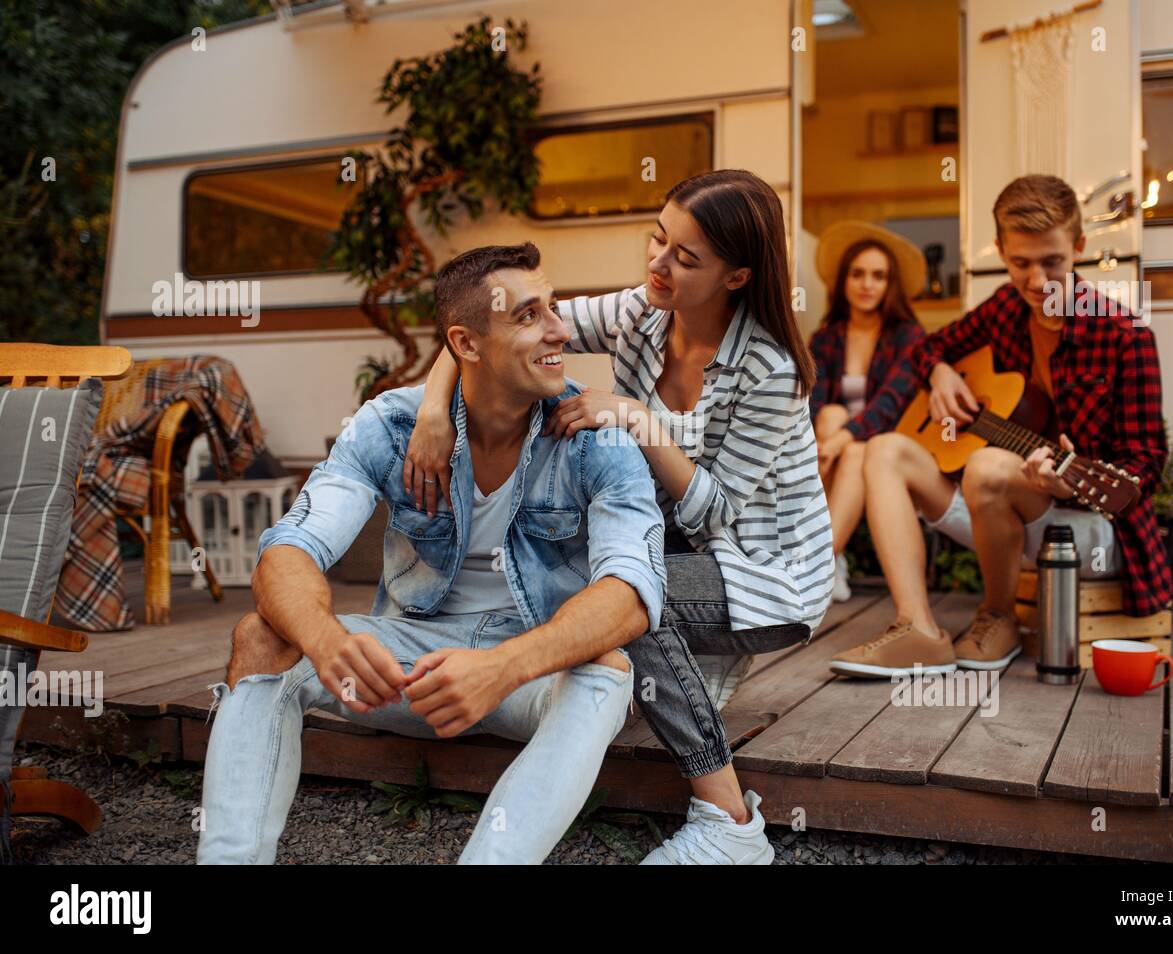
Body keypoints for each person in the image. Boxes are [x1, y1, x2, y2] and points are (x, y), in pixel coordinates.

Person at [407, 170, 835, 864]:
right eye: (658, 239)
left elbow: (717, 511)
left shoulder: (770, 369)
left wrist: (633, 416)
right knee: (604, 574)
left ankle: (729, 820)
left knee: (627, 595)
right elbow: (498, 326)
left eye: (685, 258)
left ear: (737, 276)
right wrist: (433, 409)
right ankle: (687, 667)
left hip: (765, 572)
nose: (657, 265)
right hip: (669, 550)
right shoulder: (642, 310)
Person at [197, 243, 667, 864]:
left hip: (527, 667)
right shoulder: (390, 427)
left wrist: (502, 666)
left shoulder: (594, 436)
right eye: (529, 316)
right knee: (261, 635)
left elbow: (630, 593)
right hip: (410, 664)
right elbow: (289, 552)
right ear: (466, 345)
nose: (559, 330)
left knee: (606, 665)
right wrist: (325, 640)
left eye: (552, 308)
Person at [830, 174, 1173, 678]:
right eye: (1020, 263)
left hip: (1092, 526)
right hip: (1002, 516)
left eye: (1052, 261)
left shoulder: (1126, 337)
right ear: (1002, 252)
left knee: (988, 464)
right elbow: (925, 347)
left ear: (1078, 246)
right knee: (883, 449)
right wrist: (940, 370)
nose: (1036, 281)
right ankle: (918, 630)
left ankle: (998, 616)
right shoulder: (1005, 308)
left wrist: (1066, 482)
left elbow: (1145, 469)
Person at [808, 223, 928, 602]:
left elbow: (890, 405)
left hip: (888, 445)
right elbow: (810, 406)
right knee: (827, 416)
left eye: (879, 276)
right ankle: (830, 556)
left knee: (855, 445)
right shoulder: (825, 338)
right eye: (857, 273)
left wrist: (841, 440)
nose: (867, 284)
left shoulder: (909, 335)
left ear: (890, 284)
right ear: (844, 280)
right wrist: (825, 442)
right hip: (829, 449)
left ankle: (817, 567)